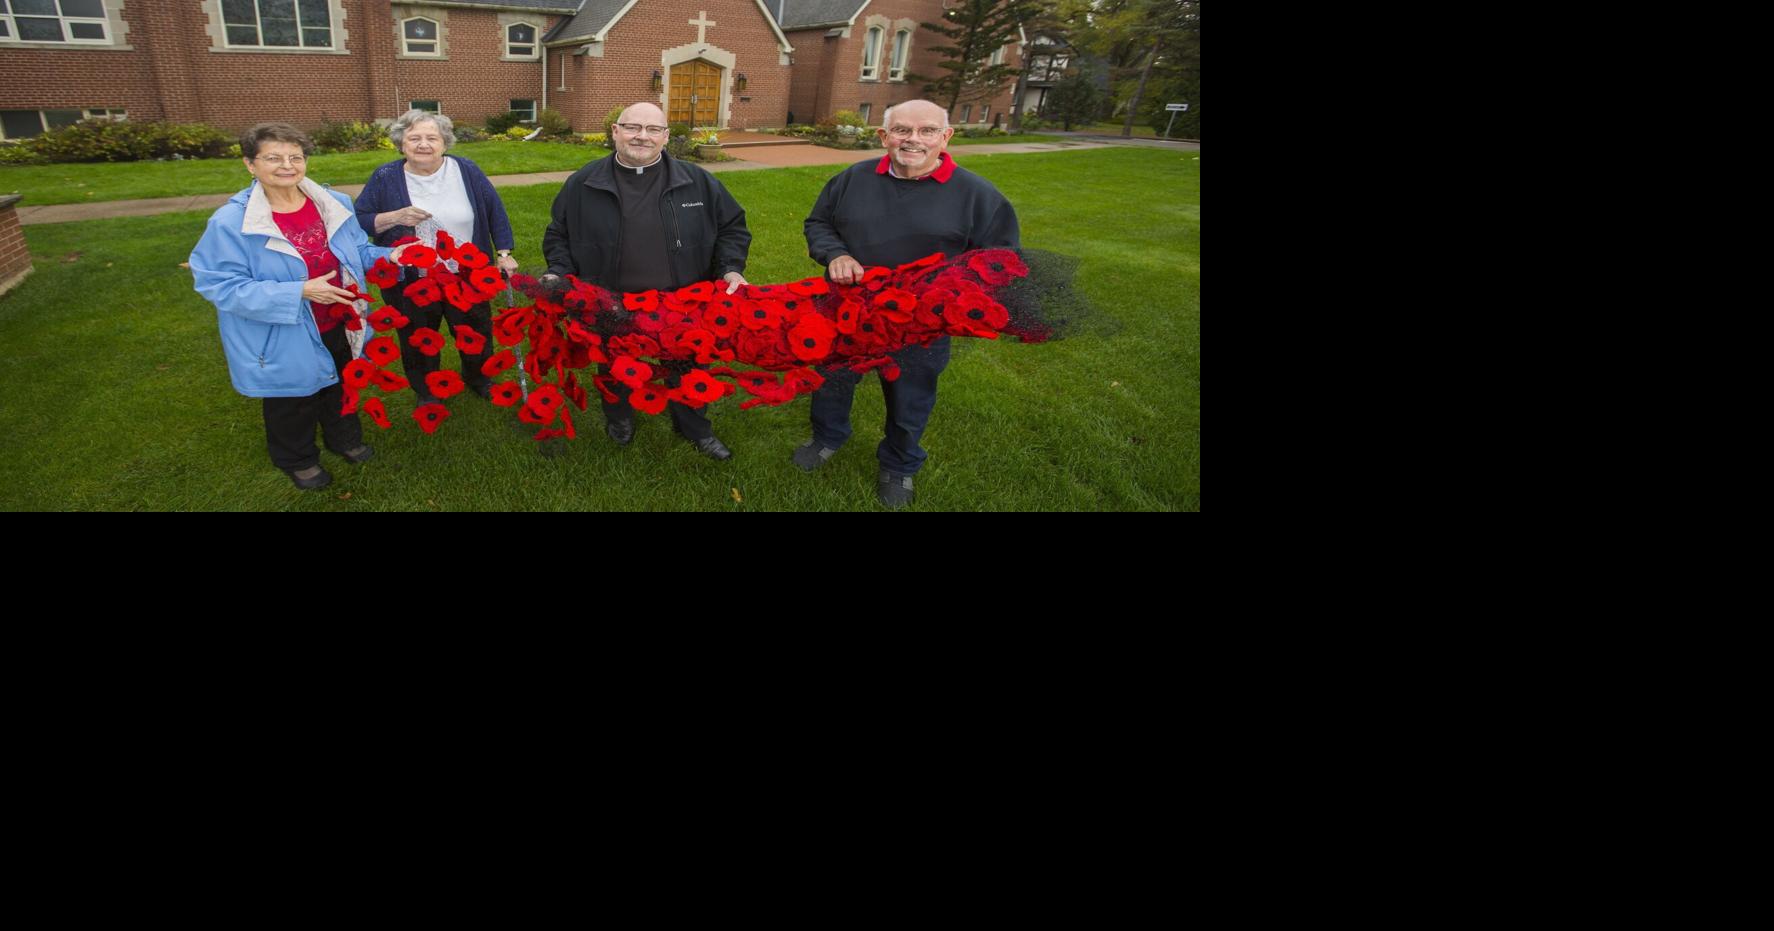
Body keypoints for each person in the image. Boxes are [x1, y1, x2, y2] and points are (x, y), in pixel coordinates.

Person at [799, 100, 1021, 507]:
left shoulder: (977, 195)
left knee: (909, 396)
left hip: (920, 325)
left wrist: (951, 298)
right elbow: (819, 223)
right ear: (884, 136)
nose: (913, 140)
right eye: (901, 130)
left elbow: (1001, 262)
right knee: (832, 380)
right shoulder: (853, 179)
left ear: (945, 137)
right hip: (847, 310)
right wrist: (836, 255)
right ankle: (827, 437)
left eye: (926, 131)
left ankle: (899, 464)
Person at [190, 122, 410, 491]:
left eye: (295, 157)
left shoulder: (332, 203)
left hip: (340, 317)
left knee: (342, 382)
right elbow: (219, 284)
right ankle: (297, 458)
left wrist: (394, 255)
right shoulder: (233, 222)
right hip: (284, 326)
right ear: (250, 164)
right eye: (273, 158)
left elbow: (356, 252)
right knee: (292, 396)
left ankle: (343, 439)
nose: (287, 165)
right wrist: (298, 292)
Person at [541, 102, 751, 460]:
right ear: (615, 132)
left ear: (666, 137)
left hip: (680, 300)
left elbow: (732, 226)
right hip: (611, 300)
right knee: (614, 367)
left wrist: (730, 267)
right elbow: (558, 233)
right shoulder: (584, 182)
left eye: (653, 129)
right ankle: (620, 419)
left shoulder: (696, 181)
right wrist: (559, 271)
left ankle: (694, 428)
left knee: (687, 368)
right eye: (633, 127)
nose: (642, 136)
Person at [355, 109, 518, 404]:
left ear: (444, 142)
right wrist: (395, 216)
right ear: (401, 143)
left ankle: (478, 376)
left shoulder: (466, 170)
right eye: (414, 138)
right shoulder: (385, 177)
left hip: (468, 273)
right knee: (418, 336)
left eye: (432, 137)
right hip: (412, 279)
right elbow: (360, 219)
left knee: (474, 330)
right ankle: (427, 390)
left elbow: (495, 210)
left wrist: (503, 252)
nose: (423, 144)